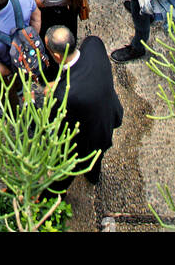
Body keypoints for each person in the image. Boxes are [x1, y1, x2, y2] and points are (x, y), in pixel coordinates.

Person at [46, 26, 123, 183]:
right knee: (96, 160)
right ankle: (94, 177)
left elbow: (56, 124)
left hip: (88, 138)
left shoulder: (64, 95)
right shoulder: (94, 43)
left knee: (69, 170)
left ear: (56, 56)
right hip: (108, 117)